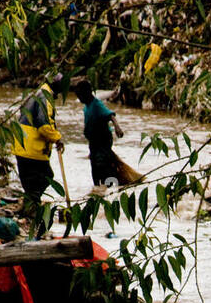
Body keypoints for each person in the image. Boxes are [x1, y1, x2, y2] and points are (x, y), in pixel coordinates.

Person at [11, 74, 66, 238]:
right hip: (32, 148)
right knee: (44, 177)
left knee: (33, 182)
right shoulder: (45, 96)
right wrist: (57, 138)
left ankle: (27, 211)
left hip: (24, 146)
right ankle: (30, 214)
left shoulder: (38, 92)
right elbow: (44, 125)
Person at [73, 78, 126, 188]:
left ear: (87, 93)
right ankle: (98, 190)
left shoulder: (96, 104)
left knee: (103, 165)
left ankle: (111, 187)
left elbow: (110, 115)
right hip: (94, 143)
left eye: (80, 96)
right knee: (95, 168)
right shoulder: (86, 107)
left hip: (103, 141)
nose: (79, 99)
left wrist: (117, 128)